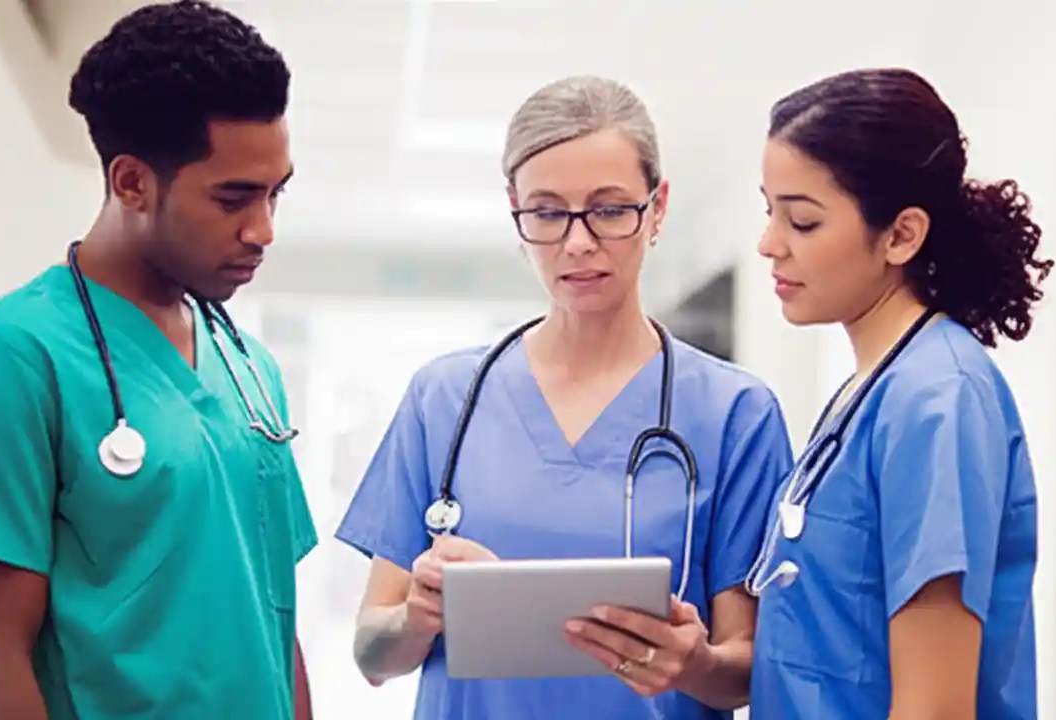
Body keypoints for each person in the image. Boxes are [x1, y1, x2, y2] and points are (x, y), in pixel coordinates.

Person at [333, 75, 794, 719]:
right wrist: (416, 616)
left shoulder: (734, 415)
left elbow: (749, 668)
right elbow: (371, 652)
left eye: (609, 209)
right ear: (515, 210)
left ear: (657, 208)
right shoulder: (445, 400)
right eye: (547, 212)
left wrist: (696, 662)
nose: (578, 242)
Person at [0, 2, 317, 718]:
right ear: (131, 182)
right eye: (233, 198)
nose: (264, 230)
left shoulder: (250, 367)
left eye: (276, 193)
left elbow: (274, 627)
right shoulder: (10, 357)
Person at [747, 67, 1051, 719]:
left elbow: (934, 708)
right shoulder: (873, 389)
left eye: (802, 221)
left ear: (902, 235)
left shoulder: (937, 398)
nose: (769, 244)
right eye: (769, 211)